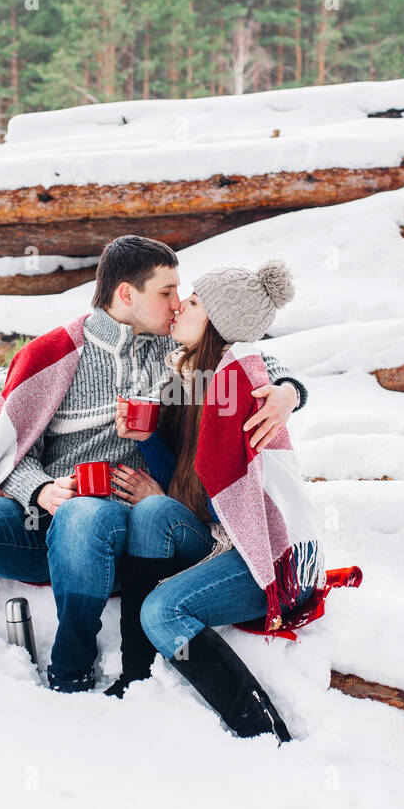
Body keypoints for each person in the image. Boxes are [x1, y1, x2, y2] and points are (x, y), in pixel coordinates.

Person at [0, 235, 309, 692]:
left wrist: (289, 390)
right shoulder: (53, 354)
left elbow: (245, 353)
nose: (177, 304)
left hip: (125, 532)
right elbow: (8, 455)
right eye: (166, 291)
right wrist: (41, 490)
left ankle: (72, 666)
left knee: (84, 513)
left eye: (180, 293)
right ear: (127, 294)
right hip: (44, 522)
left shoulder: (172, 356)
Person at [105, 259, 327, 742]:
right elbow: (198, 487)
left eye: (196, 301)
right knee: (153, 511)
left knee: (163, 611)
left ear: (219, 322)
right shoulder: (192, 377)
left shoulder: (238, 378)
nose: (181, 304)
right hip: (218, 536)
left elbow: (260, 365)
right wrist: (147, 438)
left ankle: (262, 728)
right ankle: (136, 672)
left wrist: (291, 391)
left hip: (265, 553)